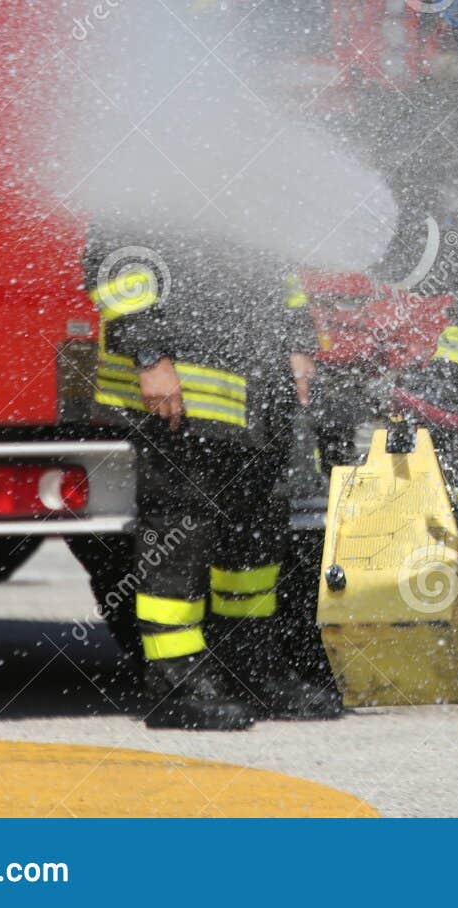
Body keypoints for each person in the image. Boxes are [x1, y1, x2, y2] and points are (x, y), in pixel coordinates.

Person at [86, 230, 340, 729]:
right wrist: (149, 357)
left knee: (255, 534)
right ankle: (174, 681)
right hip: (181, 393)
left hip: (254, 395)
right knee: (180, 535)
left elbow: (279, 267)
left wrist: (297, 343)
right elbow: (116, 262)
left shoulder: (243, 181)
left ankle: (248, 665)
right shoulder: (141, 165)